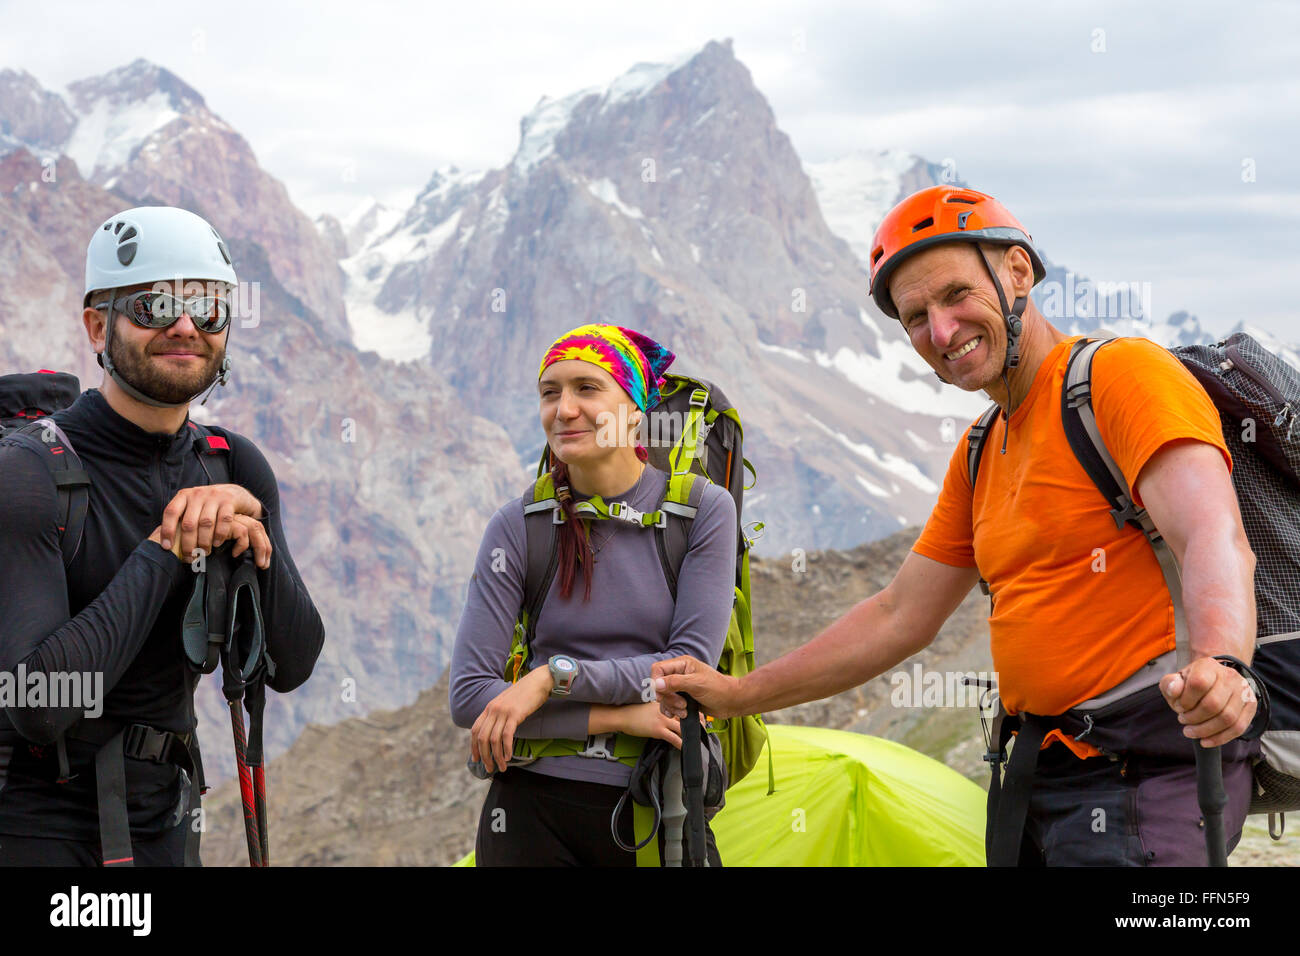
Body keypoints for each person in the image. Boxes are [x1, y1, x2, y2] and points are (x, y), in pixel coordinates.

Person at [653, 185, 1261, 866]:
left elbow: (1212, 533)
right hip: (1041, 772)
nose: (940, 333)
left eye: (954, 297)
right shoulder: (980, 447)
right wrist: (738, 695)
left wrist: (1223, 664)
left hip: (1150, 770)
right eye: (915, 318)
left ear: (1017, 272)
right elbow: (898, 615)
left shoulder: (1121, 376)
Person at [0, 205, 325, 866]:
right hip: (39, 827)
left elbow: (291, 664)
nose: (185, 326)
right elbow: (37, 701)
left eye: (207, 307)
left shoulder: (230, 463)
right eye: (153, 306)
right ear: (98, 324)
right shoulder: (33, 472)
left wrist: (256, 540)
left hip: (170, 816)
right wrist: (168, 549)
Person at [449, 323, 737, 866]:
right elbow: (470, 698)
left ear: (635, 408)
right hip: (525, 816)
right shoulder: (518, 525)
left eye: (587, 388)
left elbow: (685, 670)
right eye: (550, 392)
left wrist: (548, 680)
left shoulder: (702, 512)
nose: (564, 409)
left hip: (657, 805)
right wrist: (618, 717)